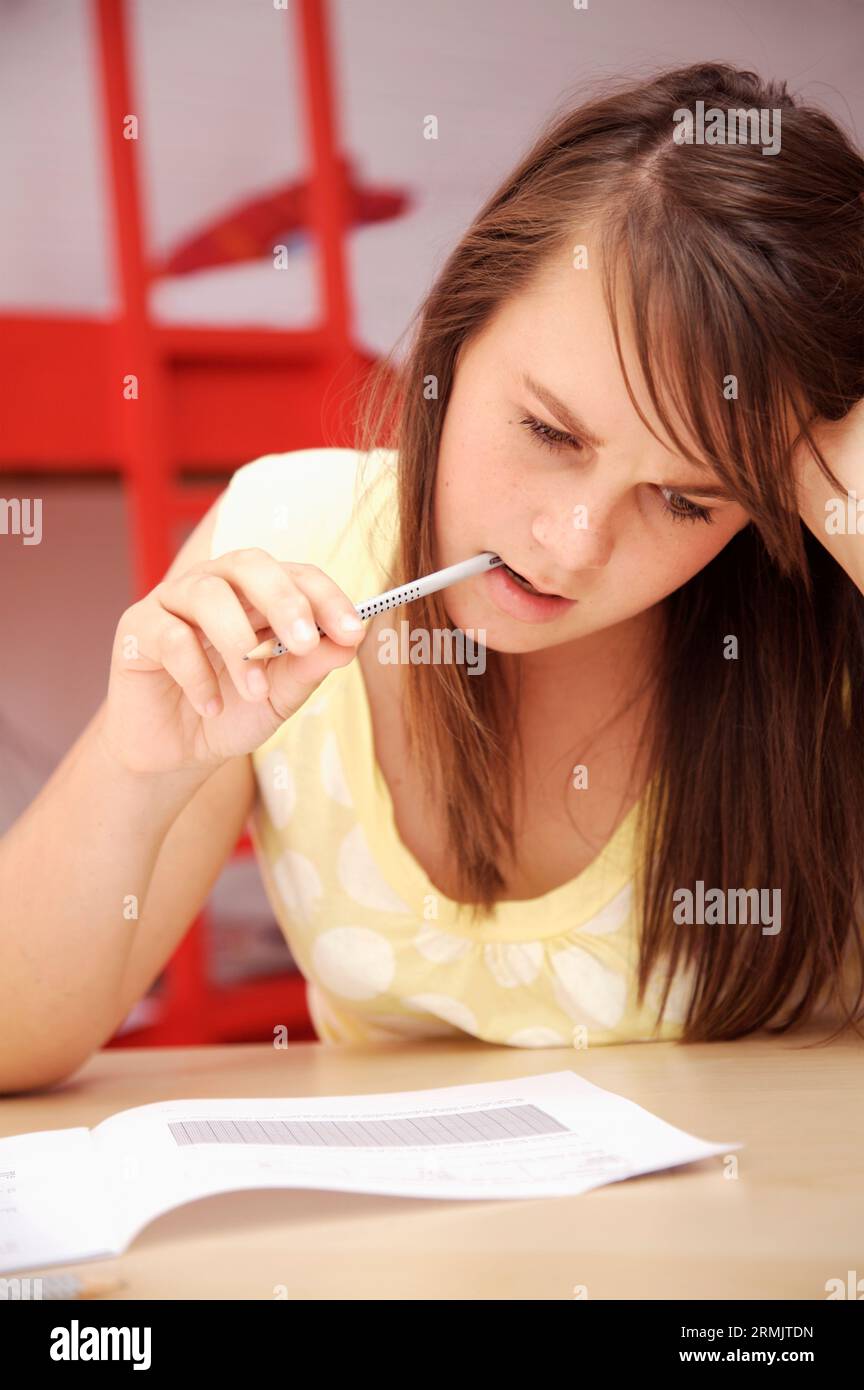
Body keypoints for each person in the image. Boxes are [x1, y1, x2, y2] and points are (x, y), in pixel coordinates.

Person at [2, 61, 863, 1092]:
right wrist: (139, 778)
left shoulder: (823, 610)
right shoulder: (293, 539)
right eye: (550, 431)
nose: (574, 542)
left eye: (687, 499)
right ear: (457, 334)